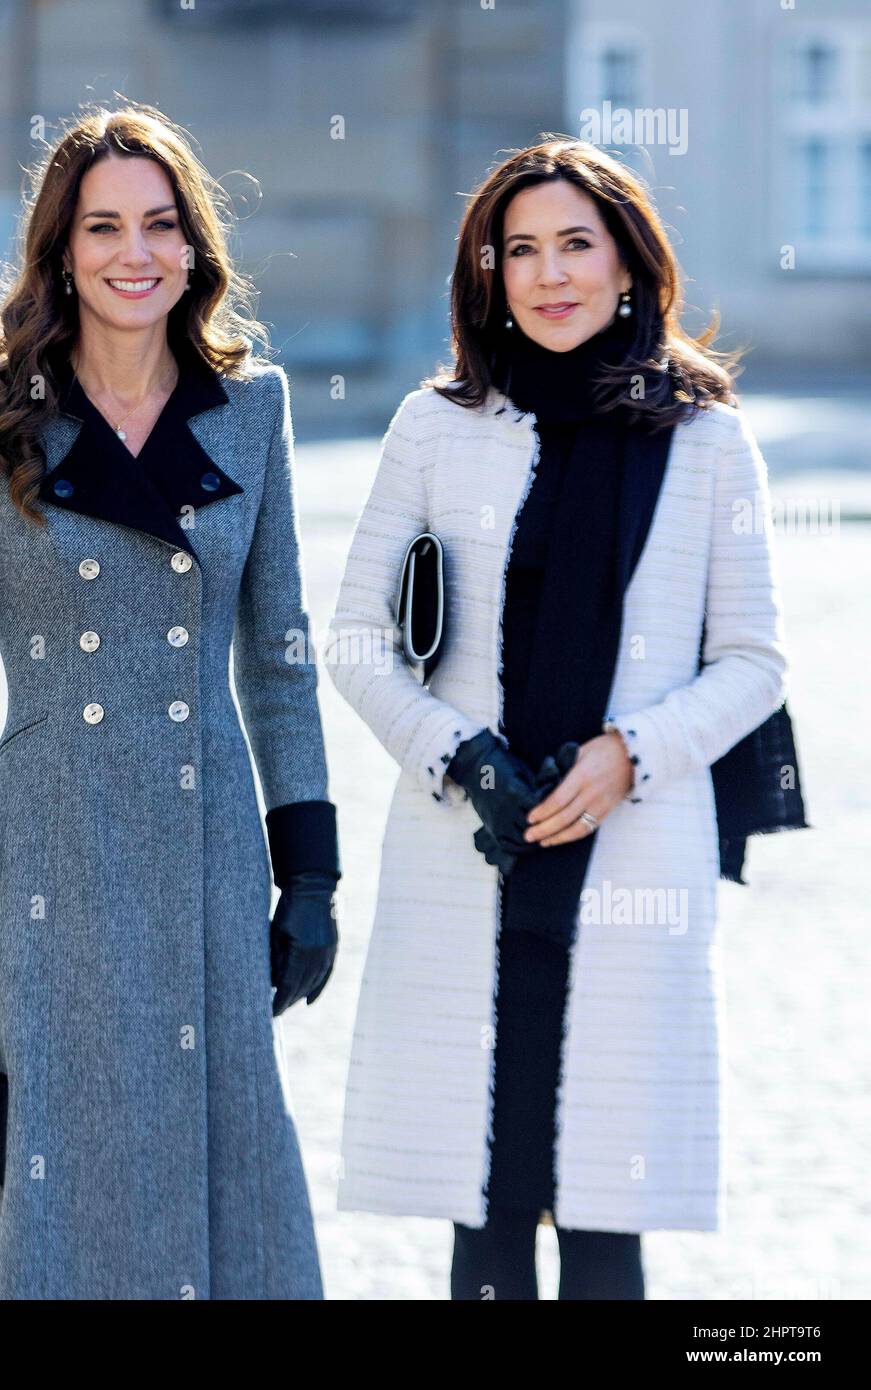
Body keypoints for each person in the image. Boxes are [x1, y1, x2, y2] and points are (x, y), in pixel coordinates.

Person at [0, 103, 340, 1300]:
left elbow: (279, 657)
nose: (135, 252)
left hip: (209, 845)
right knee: (55, 1147)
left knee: (218, 1130)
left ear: (193, 248)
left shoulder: (255, 409)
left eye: (160, 224)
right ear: (61, 251)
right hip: (51, 852)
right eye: (103, 227)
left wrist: (314, 876)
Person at [324, 137, 799, 1299]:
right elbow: (353, 639)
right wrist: (460, 755)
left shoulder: (707, 441)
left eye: (574, 245)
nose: (548, 275)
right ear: (487, 274)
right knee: (480, 1209)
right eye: (519, 250)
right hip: (462, 849)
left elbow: (755, 661)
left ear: (628, 265)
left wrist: (633, 754)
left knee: (603, 1212)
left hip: (633, 851)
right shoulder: (435, 425)